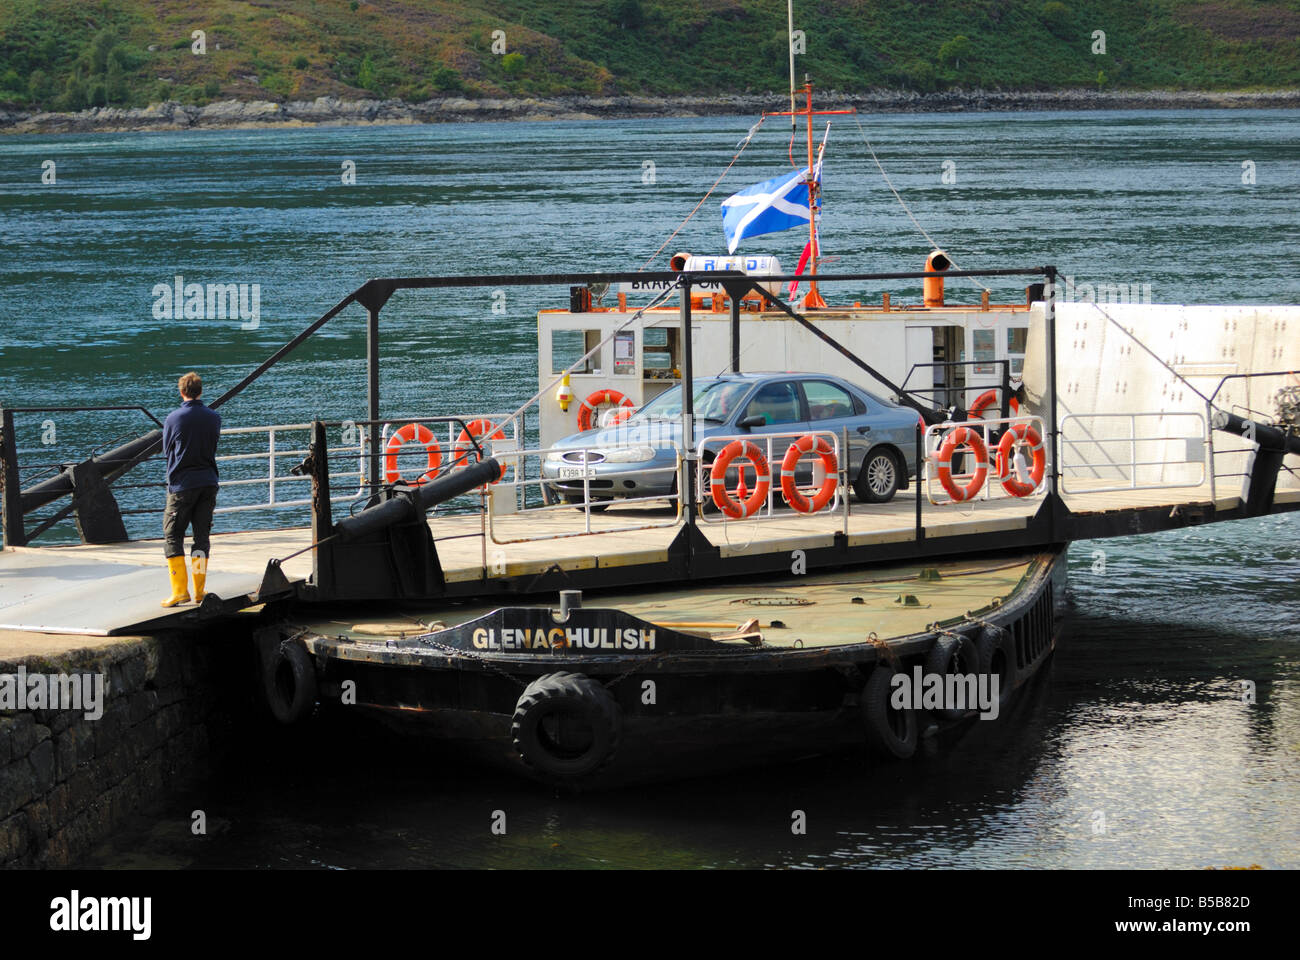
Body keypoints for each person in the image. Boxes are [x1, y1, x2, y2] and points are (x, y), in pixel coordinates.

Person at [160, 372, 221, 606]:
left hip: (182, 485)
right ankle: (199, 590)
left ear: (181, 391)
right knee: (201, 538)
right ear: (201, 391)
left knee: (173, 535)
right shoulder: (214, 418)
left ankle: (179, 591)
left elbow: (168, 450)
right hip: (208, 482)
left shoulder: (174, 418)